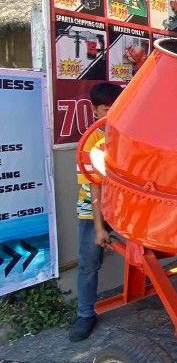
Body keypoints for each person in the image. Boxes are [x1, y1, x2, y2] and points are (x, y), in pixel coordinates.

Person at [69, 82, 123, 342]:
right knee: (90, 263)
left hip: (123, 207)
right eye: (106, 109)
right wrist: (100, 228)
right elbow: (94, 187)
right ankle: (85, 314)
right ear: (94, 110)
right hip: (94, 211)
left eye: (116, 108)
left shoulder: (125, 134)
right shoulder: (91, 140)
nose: (111, 114)